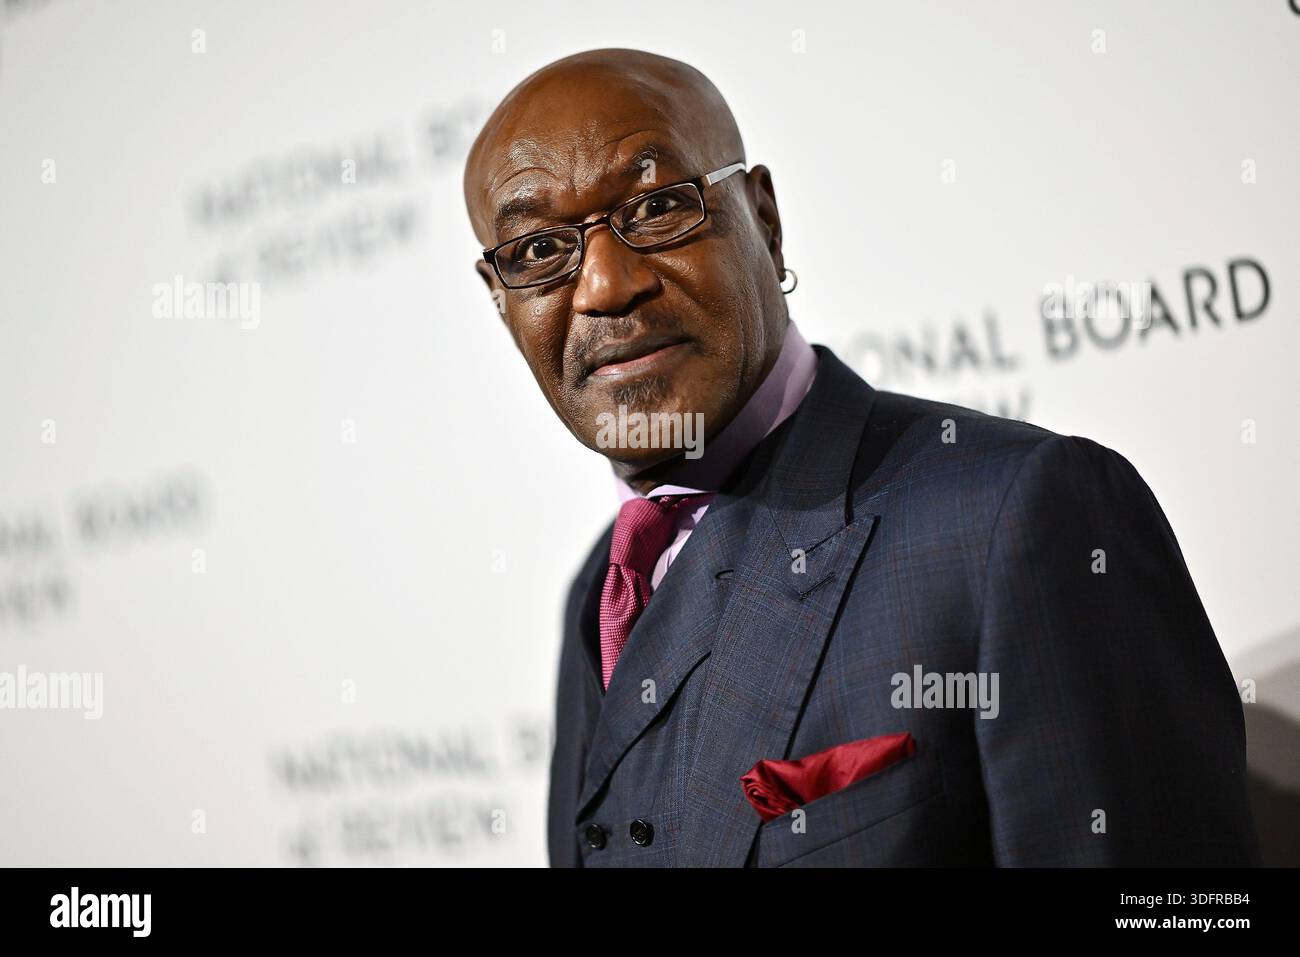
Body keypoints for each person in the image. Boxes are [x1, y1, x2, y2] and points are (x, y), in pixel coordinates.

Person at [461, 48, 1261, 867]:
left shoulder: (1022, 515)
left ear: (764, 222)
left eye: (660, 205)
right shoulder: (598, 594)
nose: (604, 284)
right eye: (535, 252)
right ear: (503, 307)